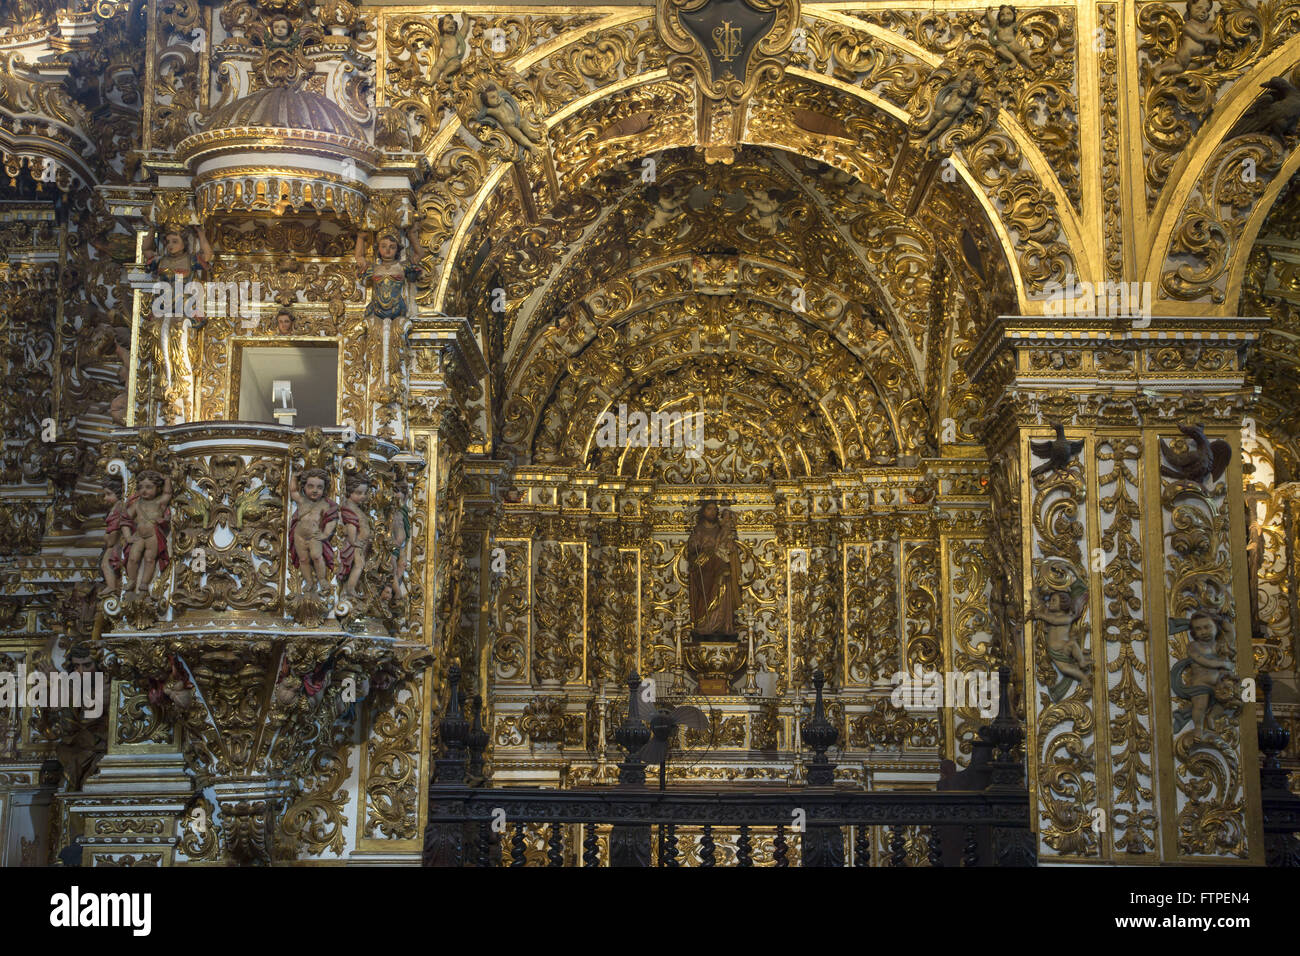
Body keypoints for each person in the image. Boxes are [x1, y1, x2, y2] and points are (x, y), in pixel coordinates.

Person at [1172, 610, 1236, 740]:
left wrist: (1221, 619)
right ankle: (1198, 728)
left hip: (1219, 683)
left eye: (1207, 627)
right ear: (1194, 632)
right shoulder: (1194, 646)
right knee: (1200, 706)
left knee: (1230, 700)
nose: (1203, 632)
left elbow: (1231, 632)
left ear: (1216, 627)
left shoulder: (1220, 645)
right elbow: (1202, 660)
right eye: (1198, 629)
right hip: (1201, 682)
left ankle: (1212, 716)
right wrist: (1221, 664)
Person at [354, 229, 423, 324]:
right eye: (383, 246)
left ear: (398, 249)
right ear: (378, 248)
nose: (387, 250)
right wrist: (360, 238)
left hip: (397, 308)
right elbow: (359, 258)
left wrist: (412, 235)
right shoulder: (373, 268)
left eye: (392, 247)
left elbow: (419, 255)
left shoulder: (402, 266)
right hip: (376, 309)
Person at [289, 467, 338, 593]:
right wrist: (294, 477)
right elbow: (293, 491)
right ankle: (309, 582)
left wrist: (326, 533)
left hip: (314, 536)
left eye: (319, 487)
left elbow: (332, 520)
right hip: (299, 535)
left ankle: (322, 579)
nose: (315, 490)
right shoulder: (302, 501)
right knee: (303, 559)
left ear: (324, 489)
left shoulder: (325, 504)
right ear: (304, 487)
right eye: (310, 486)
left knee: (317, 556)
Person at [124, 470, 171, 593]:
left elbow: (168, 493)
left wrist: (167, 479)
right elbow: (124, 519)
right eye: (141, 487)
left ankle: (144, 583)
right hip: (139, 536)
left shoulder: (159, 502)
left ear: (158, 488)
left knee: (150, 559)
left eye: (149, 487)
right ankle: (131, 580)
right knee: (133, 558)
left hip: (153, 535)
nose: (144, 490)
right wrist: (128, 536)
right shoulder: (137, 504)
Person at [99, 477, 132, 595]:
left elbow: (116, 527)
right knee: (105, 563)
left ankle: (111, 586)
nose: (105, 498)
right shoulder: (114, 508)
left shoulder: (118, 507)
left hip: (115, 541)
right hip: (112, 540)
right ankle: (111, 585)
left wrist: (109, 538)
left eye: (108, 494)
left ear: (118, 493)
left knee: (106, 563)